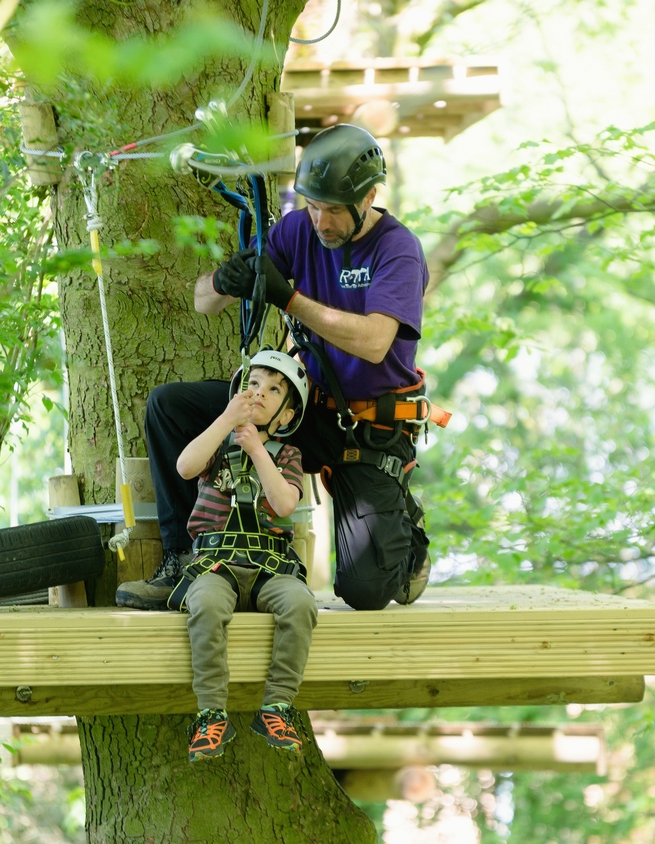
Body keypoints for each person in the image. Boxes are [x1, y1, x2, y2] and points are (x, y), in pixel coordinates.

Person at [117, 123, 432, 614]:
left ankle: (406, 537)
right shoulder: (296, 229)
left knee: (367, 592)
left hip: (368, 431)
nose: (320, 221)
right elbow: (204, 303)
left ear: (368, 197)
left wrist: (289, 297)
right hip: (298, 410)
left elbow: (374, 342)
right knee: (170, 406)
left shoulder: (398, 250)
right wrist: (225, 279)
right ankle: (182, 558)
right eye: (312, 205)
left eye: (332, 209)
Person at [170, 351, 317, 761]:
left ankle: (277, 706)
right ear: (238, 392)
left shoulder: (287, 455)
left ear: (286, 416)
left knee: (301, 603)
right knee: (205, 604)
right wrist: (227, 423)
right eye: (253, 384)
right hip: (217, 565)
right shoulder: (217, 443)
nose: (260, 393)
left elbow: (285, 503)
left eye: (274, 390)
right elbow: (184, 467)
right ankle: (212, 712)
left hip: (271, 568)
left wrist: (257, 450)